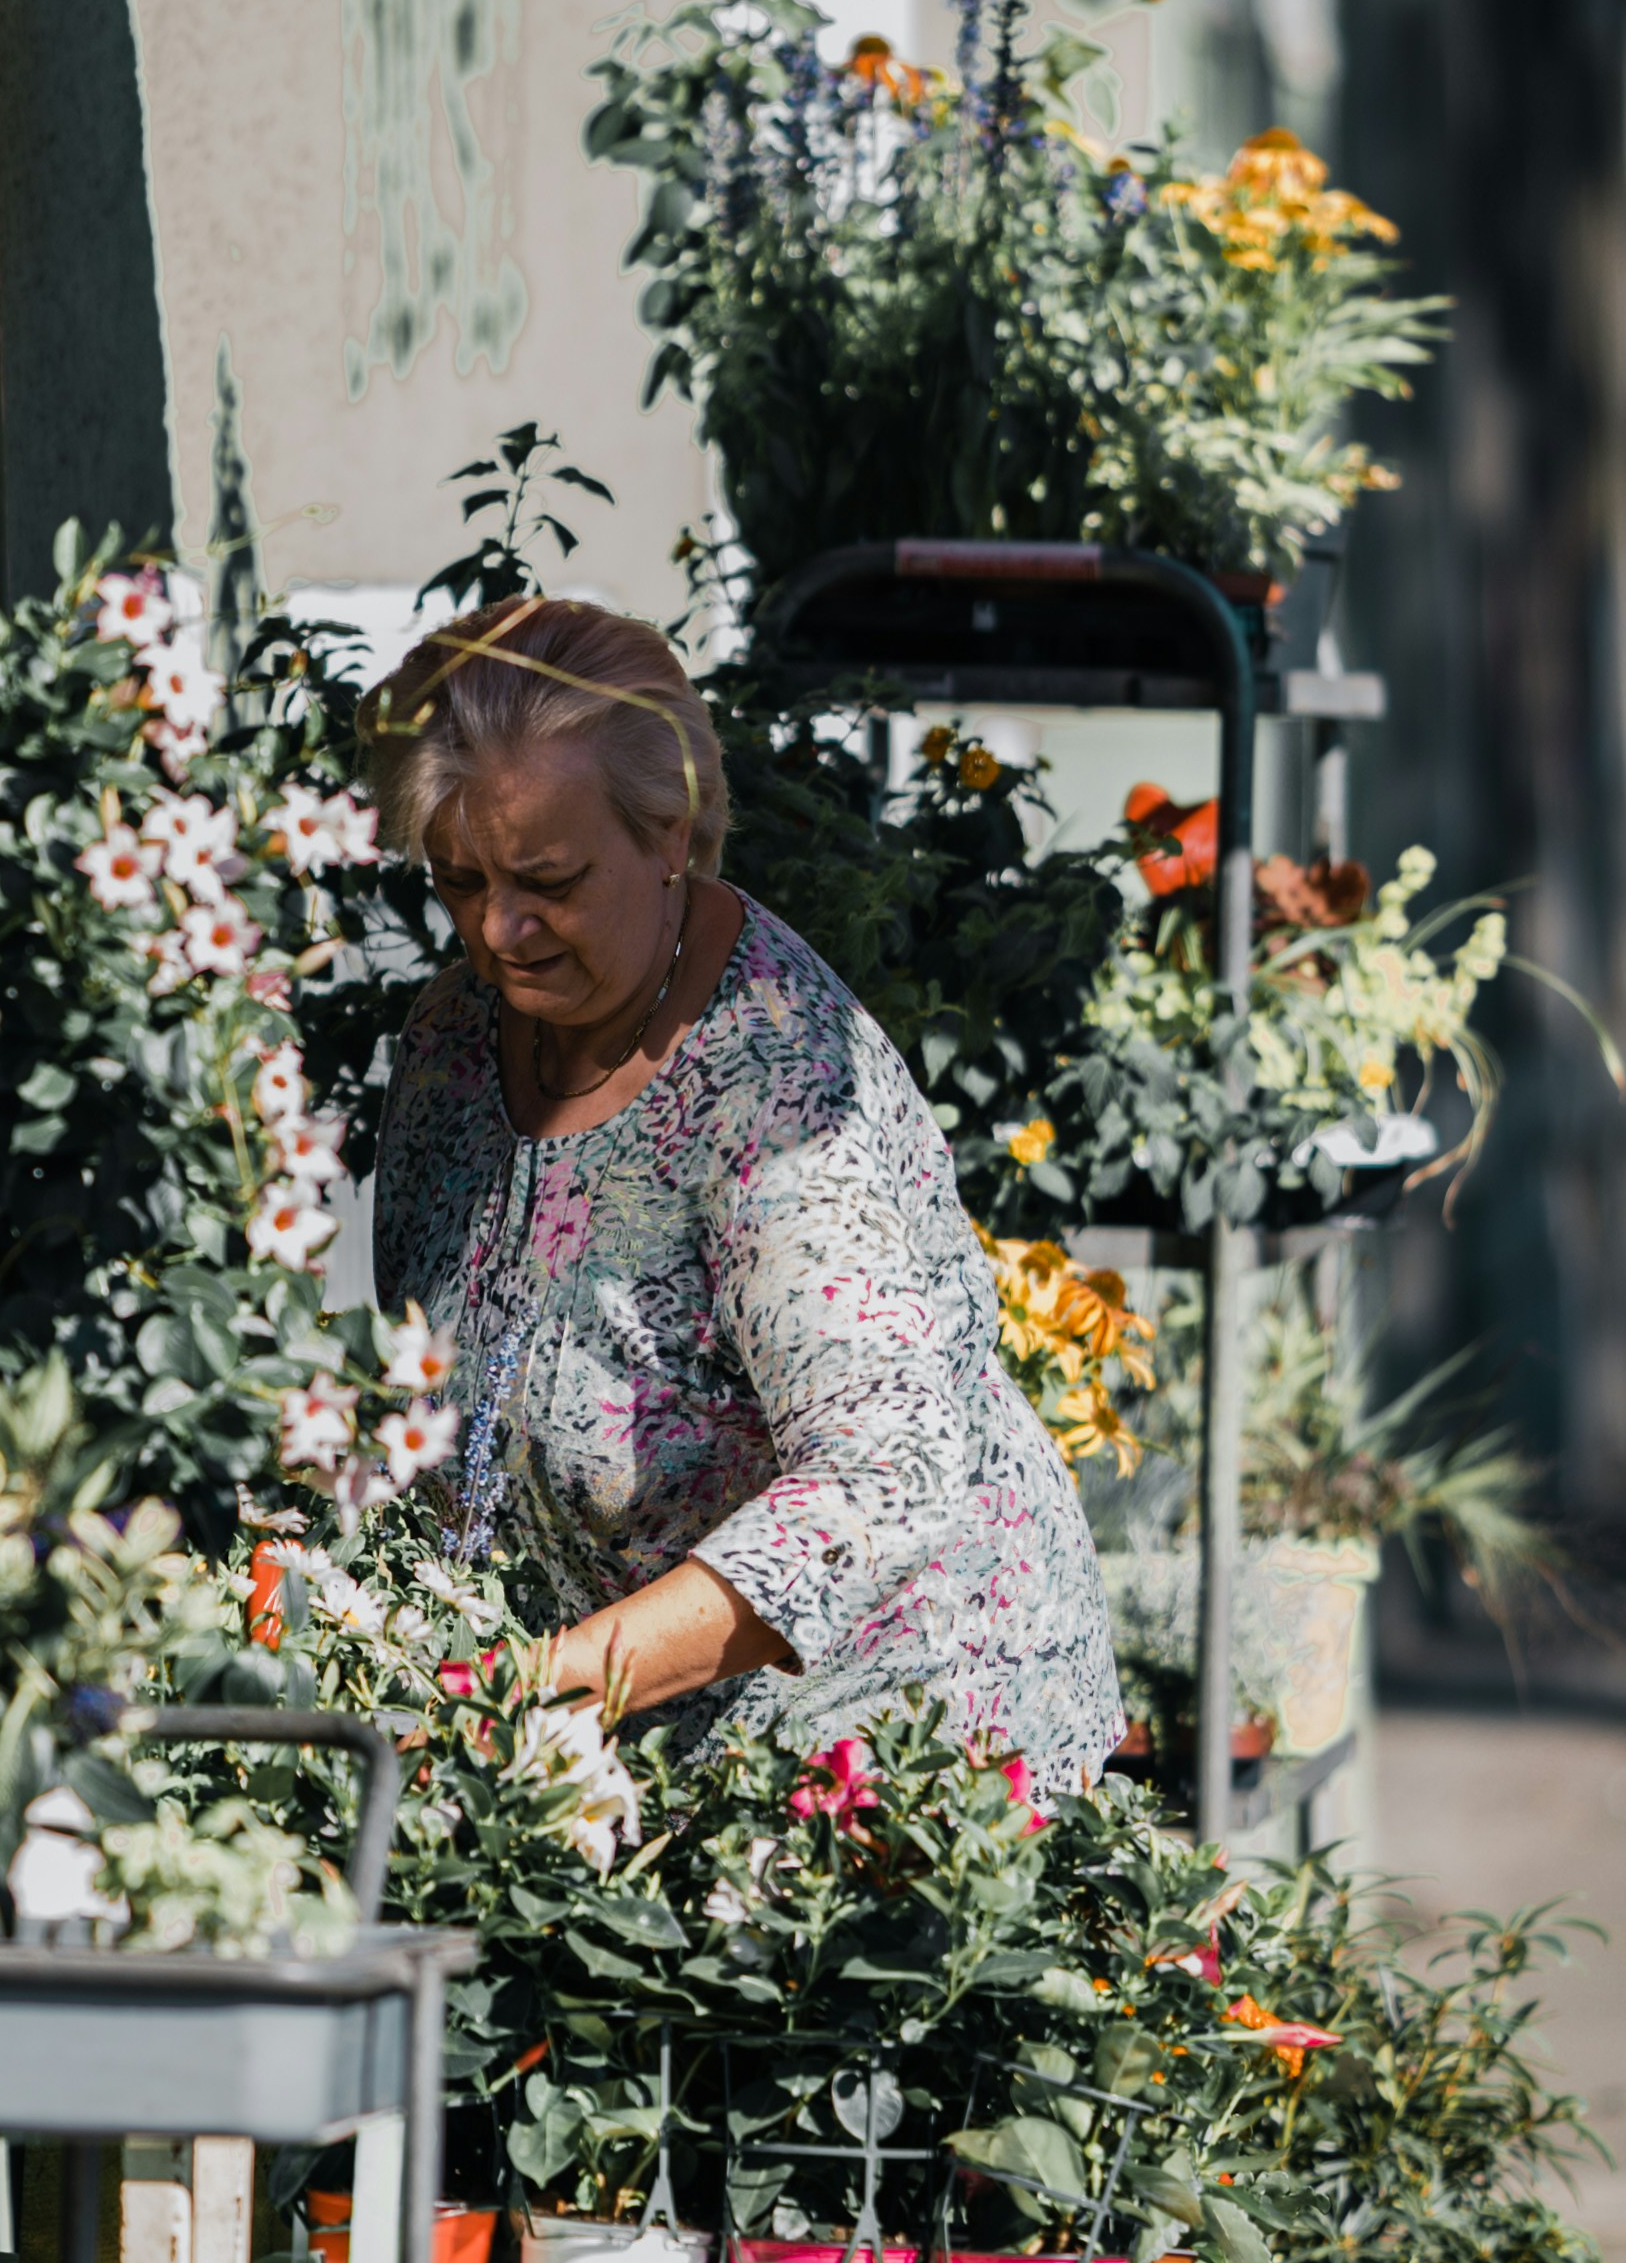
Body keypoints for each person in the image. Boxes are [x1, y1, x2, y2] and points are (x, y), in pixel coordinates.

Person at [363, 592, 1124, 1799]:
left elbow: (883, 1480)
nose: (499, 930)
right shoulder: (456, 1038)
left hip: (905, 1750)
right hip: (617, 1736)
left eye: (548, 878)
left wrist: (541, 1683)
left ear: (669, 835)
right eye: (459, 879)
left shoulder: (770, 1079)